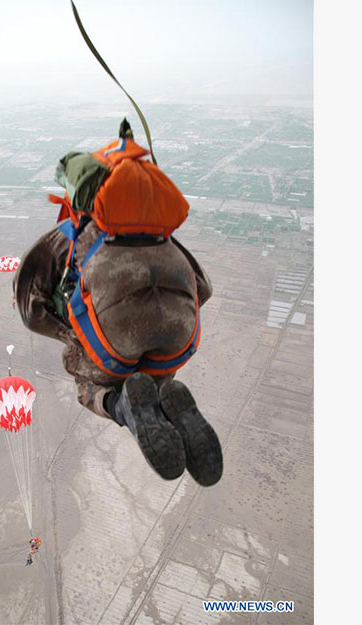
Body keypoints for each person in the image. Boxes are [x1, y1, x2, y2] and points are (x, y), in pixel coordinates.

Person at [14, 120, 222, 486]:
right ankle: (168, 404)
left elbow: (30, 311)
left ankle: (123, 406)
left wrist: (72, 334)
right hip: (178, 336)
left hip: (116, 339)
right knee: (154, 378)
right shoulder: (164, 237)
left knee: (91, 387)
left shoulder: (67, 236)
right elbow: (202, 288)